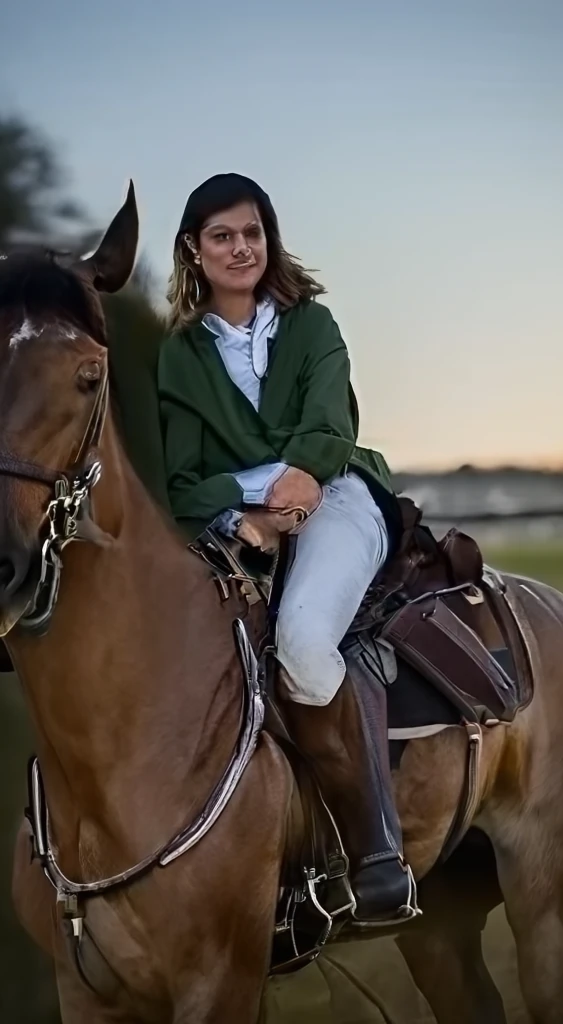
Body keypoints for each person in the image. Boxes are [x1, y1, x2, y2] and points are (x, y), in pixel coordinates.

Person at [157, 173, 415, 923]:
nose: (241, 248)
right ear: (194, 251)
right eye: (222, 236)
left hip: (336, 495)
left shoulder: (312, 326)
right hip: (234, 519)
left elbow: (327, 431)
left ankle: (374, 845)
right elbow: (182, 482)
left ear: (269, 240)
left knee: (301, 641)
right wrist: (245, 518)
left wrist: (288, 493)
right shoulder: (180, 354)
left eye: (252, 233)